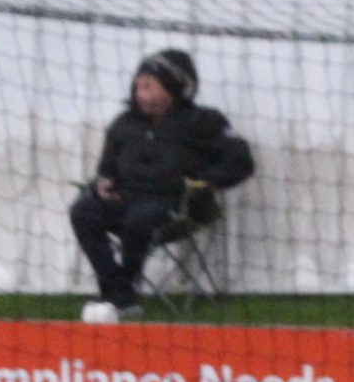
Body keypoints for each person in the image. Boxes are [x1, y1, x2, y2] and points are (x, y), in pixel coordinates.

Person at [68, 49, 253, 319]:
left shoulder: (204, 122)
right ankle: (118, 292)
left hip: (178, 206)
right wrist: (104, 184)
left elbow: (241, 162)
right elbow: (106, 169)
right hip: (126, 202)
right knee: (83, 210)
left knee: (139, 220)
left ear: (175, 87)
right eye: (138, 86)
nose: (141, 93)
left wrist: (205, 182)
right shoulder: (124, 124)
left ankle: (121, 294)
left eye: (149, 86)